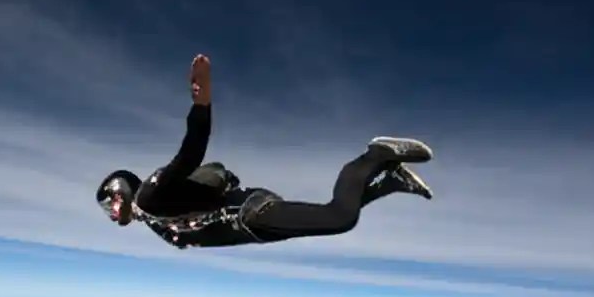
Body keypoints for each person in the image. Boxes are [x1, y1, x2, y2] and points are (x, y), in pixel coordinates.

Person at [95, 54, 434, 249]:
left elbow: (190, 155)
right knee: (329, 218)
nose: (110, 212)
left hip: (250, 213)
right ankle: (389, 181)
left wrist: (201, 102)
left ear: (121, 189)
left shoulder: (150, 196)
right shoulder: (150, 215)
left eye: (108, 200)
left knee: (339, 217)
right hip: (251, 227)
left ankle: (374, 156)